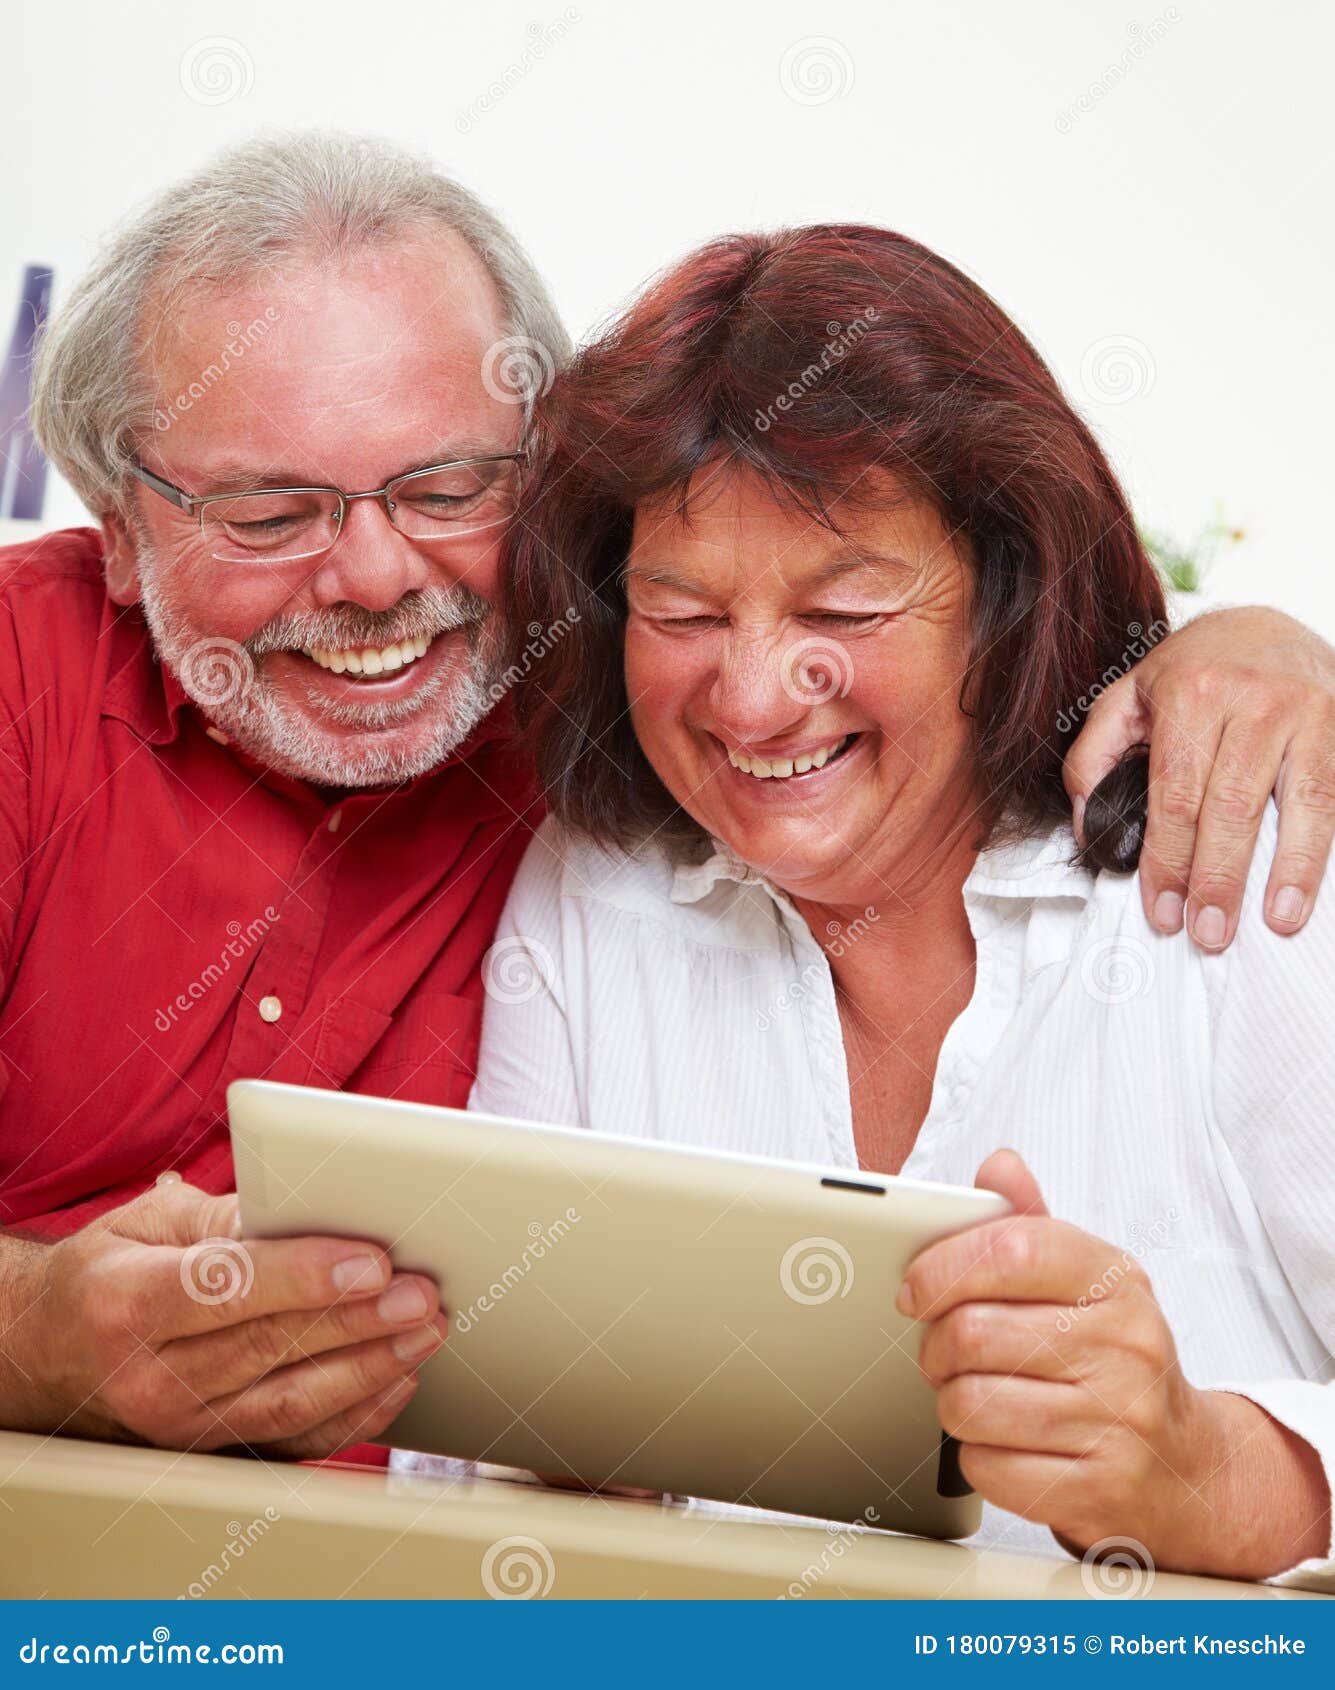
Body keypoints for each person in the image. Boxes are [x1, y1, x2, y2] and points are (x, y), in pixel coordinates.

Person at [0, 133, 1331, 1466]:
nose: (375, 577)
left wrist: (1253, 645)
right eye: (270, 514)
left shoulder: (604, 733)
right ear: (118, 522)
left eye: (447, 488)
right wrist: (39, 1338)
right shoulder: (37, 684)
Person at [466, 223, 1335, 1587]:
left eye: (848, 610)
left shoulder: (1244, 847)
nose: (755, 699)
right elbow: (478, 1470)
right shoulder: (595, 893)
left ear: (1004, 595)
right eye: (682, 614)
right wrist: (555, 1466)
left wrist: (1220, 1477)